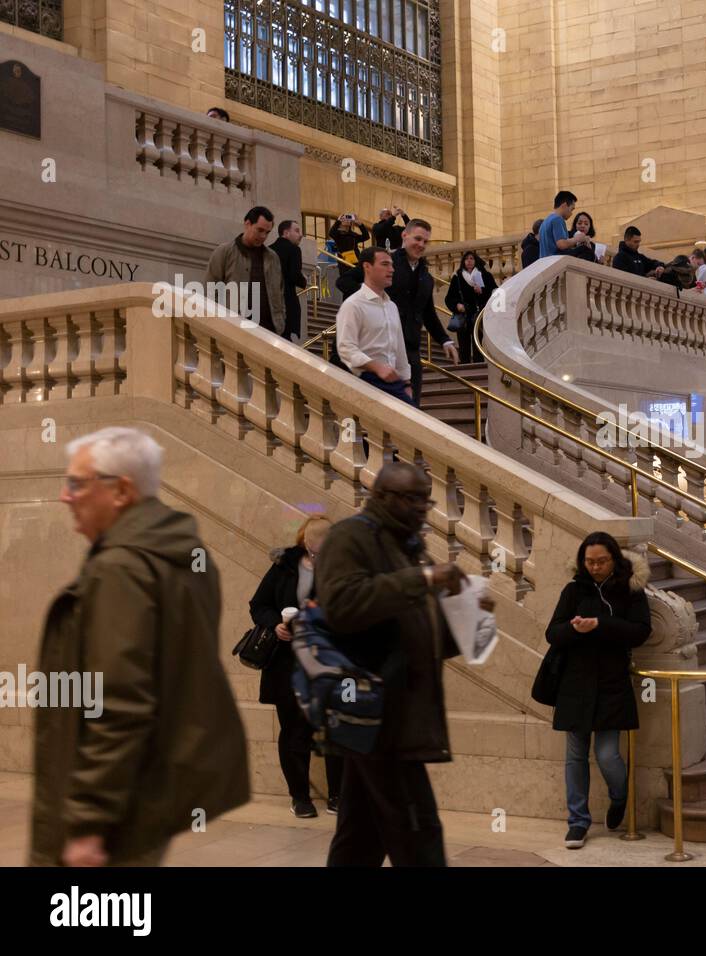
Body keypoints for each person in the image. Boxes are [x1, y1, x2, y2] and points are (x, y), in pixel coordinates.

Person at [32, 427, 249, 866]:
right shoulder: (183, 552)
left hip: (116, 805)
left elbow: (119, 701)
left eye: (77, 483)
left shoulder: (121, 569)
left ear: (120, 491)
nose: (64, 495)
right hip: (150, 786)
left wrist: (88, 823)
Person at [315, 462, 493, 866]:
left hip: (396, 713)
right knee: (418, 834)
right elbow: (341, 606)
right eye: (410, 498)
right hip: (377, 715)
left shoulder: (408, 548)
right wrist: (425, 580)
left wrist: (472, 618)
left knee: (361, 836)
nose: (421, 508)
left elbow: (421, 637)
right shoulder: (351, 537)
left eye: (424, 499)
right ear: (381, 496)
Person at [545, 533, 652, 849]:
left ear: (614, 559)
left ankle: (619, 797)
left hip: (611, 682)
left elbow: (641, 631)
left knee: (607, 755)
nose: (594, 567)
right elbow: (553, 632)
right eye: (589, 561)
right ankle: (577, 822)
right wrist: (575, 629)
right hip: (575, 683)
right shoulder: (573, 589)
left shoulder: (630, 589)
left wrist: (601, 625)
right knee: (575, 756)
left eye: (601, 561)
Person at [249, 516, 342, 818]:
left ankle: (337, 796)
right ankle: (300, 796)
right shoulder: (283, 568)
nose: (319, 559)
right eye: (314, 553)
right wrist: (276, 625)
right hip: (287, 664)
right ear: (305, 544)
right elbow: (258, 605)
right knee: (294, 730)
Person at [337, 218, 456, 398]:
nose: (421, 245)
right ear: (404, 235)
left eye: (425, 241)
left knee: (411, 410)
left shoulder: (426, 277)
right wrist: (371, 300)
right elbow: (344, 281)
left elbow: (428, 312)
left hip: (409, 352)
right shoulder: (384, 262)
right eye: (417, 239)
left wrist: (445, 340)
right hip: (375, 352)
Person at [335, 247, 414, 406]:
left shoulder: (391, 306)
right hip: (366, 379)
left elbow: (399, 347)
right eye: (385, 264)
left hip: (393, 381)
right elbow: (346, 348)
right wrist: (377, 367)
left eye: (391, 265)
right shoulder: (353, 305)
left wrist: (406, 382)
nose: (391, 269)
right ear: (367, 267)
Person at [204, 206, 286, 335]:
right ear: (247, 224)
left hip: (269, 330)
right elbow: (210, 291)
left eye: (267, 232)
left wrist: (281, 320)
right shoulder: (224, 252)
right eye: (260, 230)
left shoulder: (273, 257)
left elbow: (280, 293)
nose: (263, 236)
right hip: (236, 328)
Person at [444, 250, 497, 363]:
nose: (469, 261)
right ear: (463, 261)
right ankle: (465, 372)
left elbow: (495, 292)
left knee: (478, 345)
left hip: (478, 316)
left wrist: (482, 291)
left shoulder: (485, 275)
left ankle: (478, 370)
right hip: (463, 316)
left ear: (475, 260)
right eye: (466, 259)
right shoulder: (457, 277)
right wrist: (456, 305)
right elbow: (449, 298)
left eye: (471, 258)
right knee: (463, 347)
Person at [270, 219, 307, 341]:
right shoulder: (294, 249)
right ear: (285, 233)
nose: (300, 235)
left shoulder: (268, 250)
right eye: (296, 231)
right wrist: (303, 281)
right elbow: (294, 275)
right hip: (286, 302)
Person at [539, 191, 591, 258]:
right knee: (586, 250)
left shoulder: (545, 221)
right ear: (565, 205)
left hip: (545, 261)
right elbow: (561, 244)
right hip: (556, 260)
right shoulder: (558, 219)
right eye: (571, 209)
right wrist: (577, 238)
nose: (571, 213)